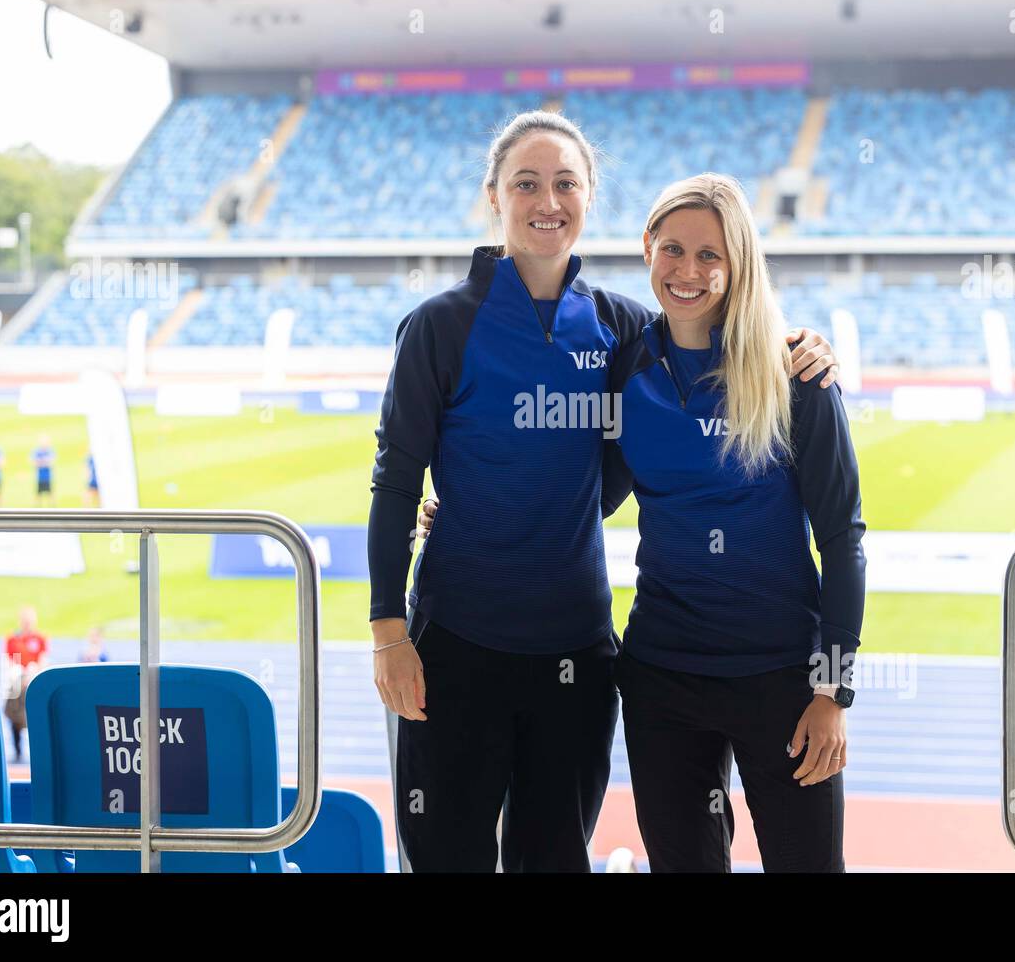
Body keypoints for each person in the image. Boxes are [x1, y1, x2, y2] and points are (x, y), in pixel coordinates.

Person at [369, 110, 840, 873]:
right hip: (454, 643)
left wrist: (802, 343)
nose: (545, 200)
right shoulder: (438, 327)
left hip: (577, 656)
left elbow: (632, 456)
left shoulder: (623, 330)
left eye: (565, 183)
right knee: (446, 856)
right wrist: (388, 632)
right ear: (495, 194)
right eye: (526, 183)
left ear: (590, 198)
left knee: (553, 857)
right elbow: (394, 482)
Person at [607, 174, 866, 872]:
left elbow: (843, 539)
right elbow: (587, 493)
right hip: (661, 676)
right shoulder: (622, 366)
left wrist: (832, 691)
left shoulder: (796, 376)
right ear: (647, 249)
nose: (688, 271)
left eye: (710, 256)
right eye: (673, 250)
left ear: (739, 263)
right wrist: (463, 500)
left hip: (781, 678)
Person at [4, 606, 49, 763]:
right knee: (14, 715)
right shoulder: (12, 639)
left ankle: (40, 752)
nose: (27, 623)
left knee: (37, 716)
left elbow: (42, 660)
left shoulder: (40, 639)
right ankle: (17, 750)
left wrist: (31, 675)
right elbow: (11, 661)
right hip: (18, 681)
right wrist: (20, 677)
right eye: (25, 620)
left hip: (33, 680)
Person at [32, 435, 55, 504]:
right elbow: (34, 462)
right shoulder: (37, 451)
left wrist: (41, 462)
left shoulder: (50, 451)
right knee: (39, 494)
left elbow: (50, 462)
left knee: (50, 493)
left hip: (48, 477)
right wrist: (44, 462)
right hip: (40, 477)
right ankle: (37, 510)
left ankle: (53, 509)